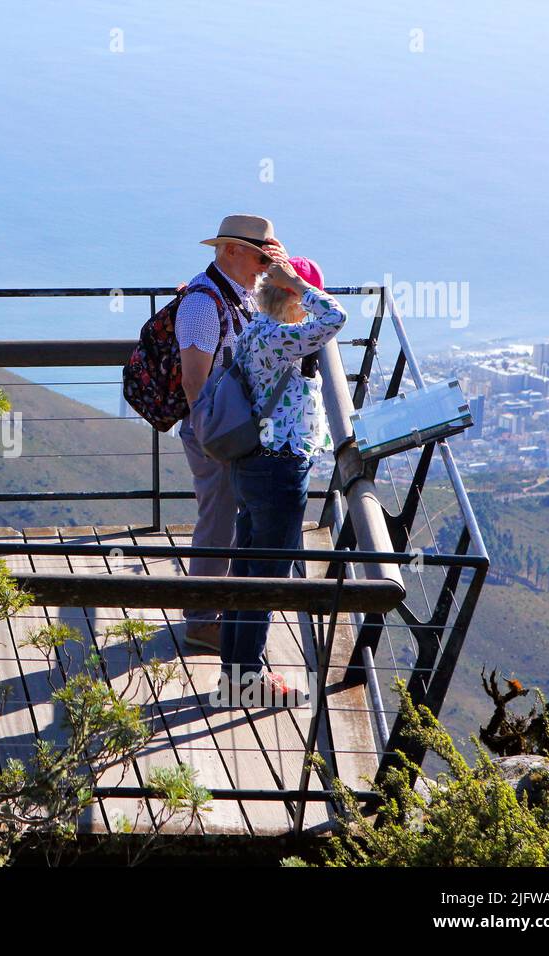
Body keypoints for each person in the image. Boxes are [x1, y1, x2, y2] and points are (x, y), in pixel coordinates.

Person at [214, 255, 347, 707]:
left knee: (246, 570)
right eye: (304, 300)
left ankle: (234, 675)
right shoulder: (280, 337)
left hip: (252, 463)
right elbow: (336, 317)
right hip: (278, 469)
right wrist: (299, 283)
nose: (309, 311)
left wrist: (285, 274)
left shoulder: (256, 326)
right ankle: (247, 681)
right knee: (267, 577)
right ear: (293, 297)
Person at [177, 215, 287, 651]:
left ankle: (216, 608)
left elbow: (292, 311)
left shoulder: (239, 292)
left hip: (233, 431)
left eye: (269, 255)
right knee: (218, 523)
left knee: (228, 521)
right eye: (261, 255)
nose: (265, 264)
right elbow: (193, 381)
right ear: (230, 250)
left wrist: (284, 272)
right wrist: (213, 435)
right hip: (216, 435)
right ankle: (201, 620)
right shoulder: (205, 303)